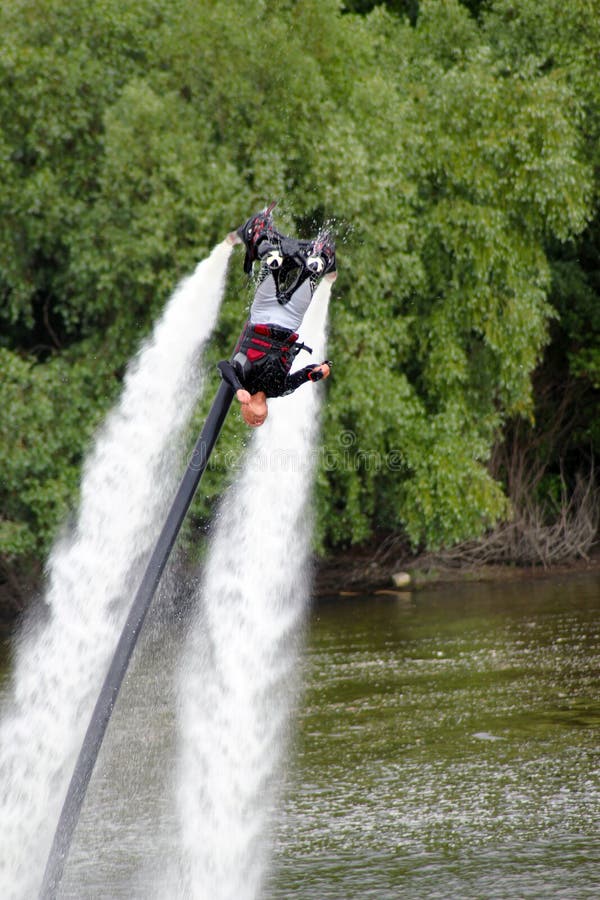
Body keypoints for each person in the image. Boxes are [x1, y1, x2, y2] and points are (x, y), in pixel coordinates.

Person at [220, 205, 336, 427]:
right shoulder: (280, 389)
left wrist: (238, 389)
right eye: (260, 421)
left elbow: (223, 366)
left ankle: (269, 253)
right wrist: (321, 369)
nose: (259, 420)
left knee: (273, 265)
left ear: (246, 407)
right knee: (311, 273)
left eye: (254, 420)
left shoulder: (242, 379)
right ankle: (316, 264)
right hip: (290, 322)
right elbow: (305, 375)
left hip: (263, 315)